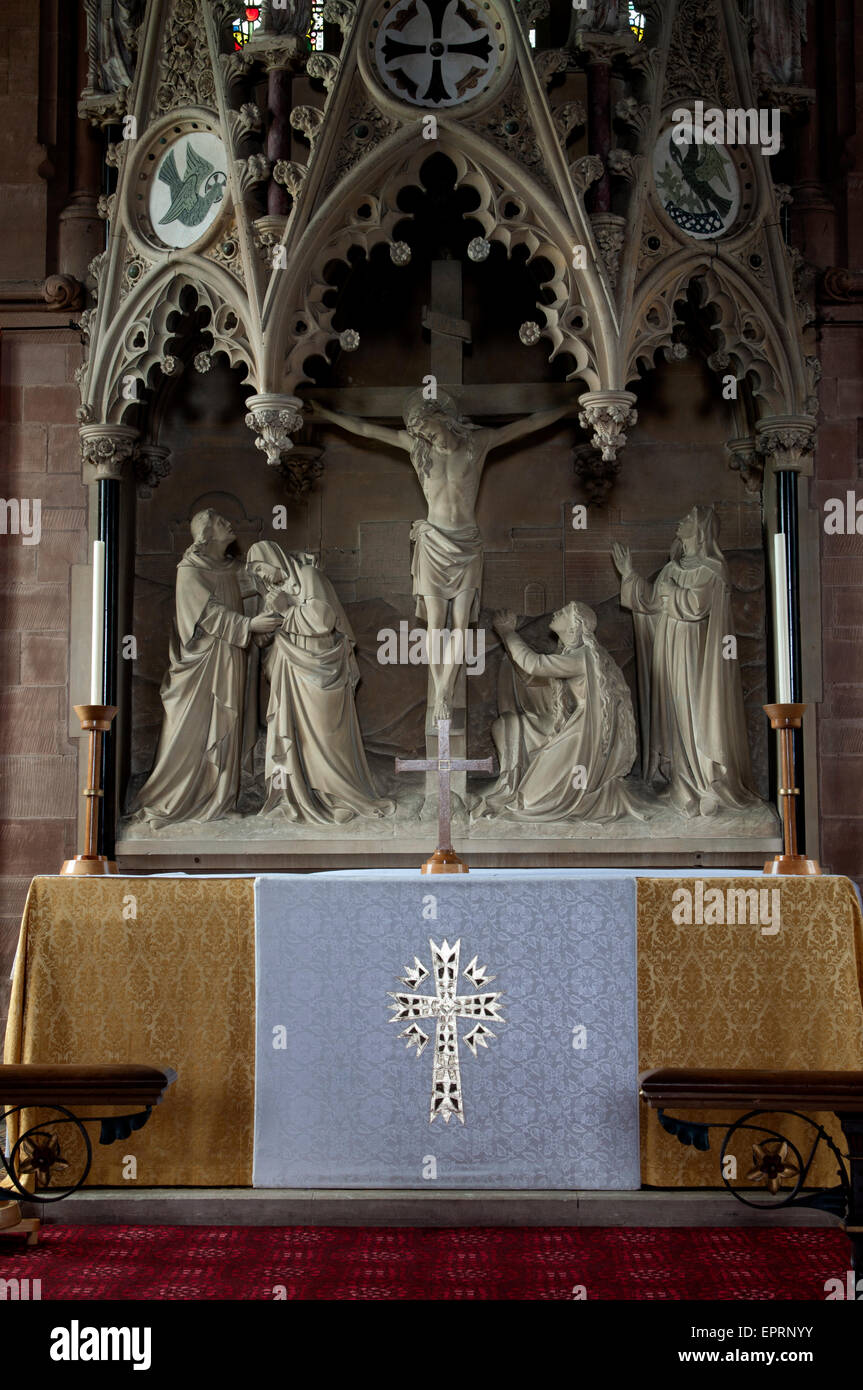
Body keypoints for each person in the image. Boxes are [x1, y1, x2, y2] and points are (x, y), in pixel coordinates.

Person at [308, 390, 570, 720]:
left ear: (443, 419)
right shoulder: (418, 450)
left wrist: (568, 406)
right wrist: (325, 412)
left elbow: (528, 424)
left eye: (429, 431)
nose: (427, 438)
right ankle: (440, 691)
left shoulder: (478, 445)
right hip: (432, 544)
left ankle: (445, 687)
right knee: (435, 624)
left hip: (466, 546)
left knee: (460, 623)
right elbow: (364, 430)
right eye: (421, 435)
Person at [133, 510, 280, 826]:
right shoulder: (189, 571)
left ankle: (221, 800)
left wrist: (270, 570)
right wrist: (249, 624)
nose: (228, 522)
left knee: (227, 727)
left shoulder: (229, 568)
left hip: (230, 659)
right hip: (201, 667)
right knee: (193, 730)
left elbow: (252, 578)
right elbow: (208, 615)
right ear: (206, 534)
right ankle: (172, 798)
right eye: (218, 520)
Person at [612, 505, 759, 817]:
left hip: (695, 654)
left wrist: (675, 593)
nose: (680, 521)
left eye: (688, 519)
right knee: (674, 713)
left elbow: (696, 607)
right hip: (668, 648)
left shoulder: (712, 570)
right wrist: (629, 574)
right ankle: (683, 783)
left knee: (695, 710)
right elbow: (650, 603)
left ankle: (708, 782)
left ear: (701, 530)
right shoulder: (671, 568)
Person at [246, 540, 394, 824]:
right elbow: (271, 632)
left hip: (322, 668)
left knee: (328, 737)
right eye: (256, 572)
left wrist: (286, 609)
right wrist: (267, 626)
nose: (262, 575)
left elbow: (322, 621)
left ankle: (341, 797)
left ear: (275, 558)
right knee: (298, 738)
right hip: (291, 670)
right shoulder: (276, 592)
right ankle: (300, 796)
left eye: (261, 567)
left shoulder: (308, 577)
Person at [474, 601, 639, 822]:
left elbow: (534, 665)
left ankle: (541, 787)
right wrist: (506, 637)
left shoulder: (583, 656)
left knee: (530, 801)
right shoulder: (579, 654)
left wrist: (508, 632)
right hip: (575, 724)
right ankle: (510, 779)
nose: (556, 613)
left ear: (574, 627)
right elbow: (533, 678)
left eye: (562, 612)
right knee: (512, 726)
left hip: (585, 734)